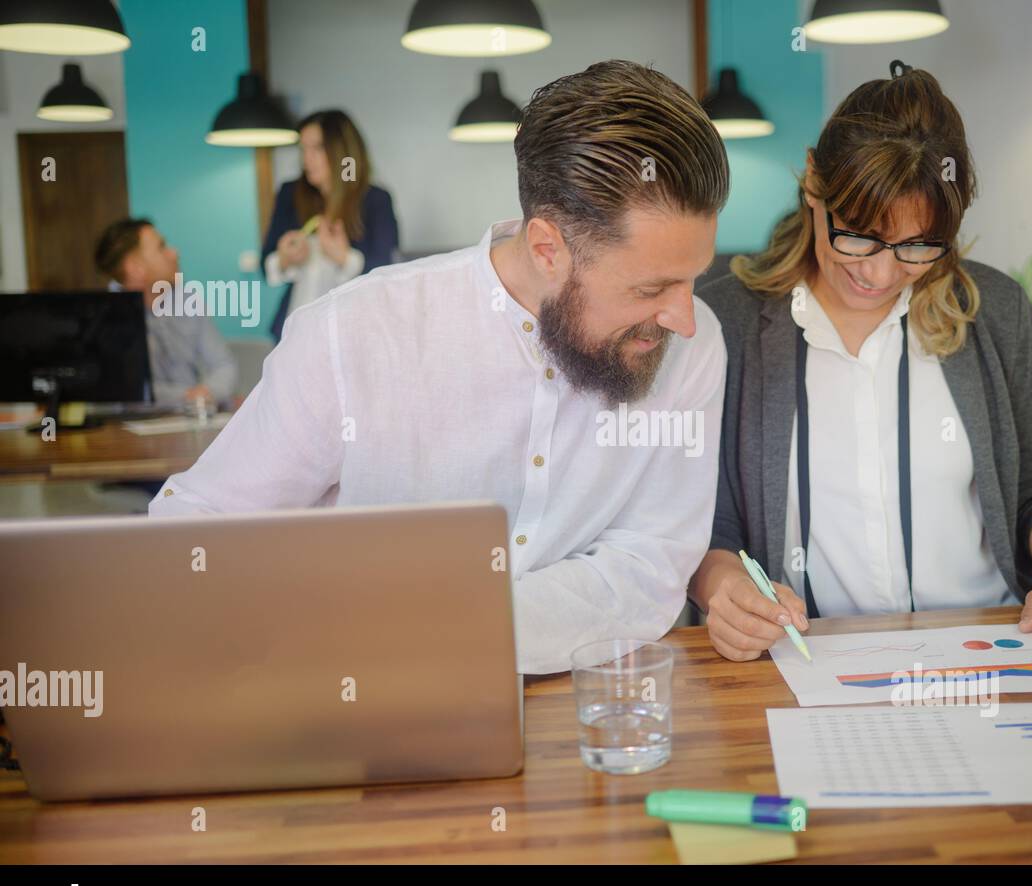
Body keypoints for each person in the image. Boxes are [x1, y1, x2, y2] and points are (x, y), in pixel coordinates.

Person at [150, 61, 730, 675]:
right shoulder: (350, 335)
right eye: (651, 288)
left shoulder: (695, 347)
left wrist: (436, 621)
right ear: (546, 248)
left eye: (694, 278)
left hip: (578, 716)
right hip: (349, 695)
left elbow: (649, 565)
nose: (684, 320)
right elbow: (196, 532)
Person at [690, 61, 1032, 662]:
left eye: (916, 246)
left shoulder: (994, 312)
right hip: (807, 662)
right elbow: (708, 525)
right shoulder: (725, 323)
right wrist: (724, 589)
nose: (879, 274)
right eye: (856, 235)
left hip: (990, 654)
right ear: (813, 183)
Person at [262, 109, 400, 341]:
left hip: (353, 333)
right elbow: (264, 262)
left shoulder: (375, 200)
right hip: (295, 334)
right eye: (303, 149)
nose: (307, 158)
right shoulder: (290, 194)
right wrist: (285, 259)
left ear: (342, 152)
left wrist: (345, 258)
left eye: (317, 148)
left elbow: (388, 271)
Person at [94, 218, 237, 409]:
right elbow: (135, 393)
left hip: (192, 419)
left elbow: (224, 364)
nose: (174, 253)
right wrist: (190, 396)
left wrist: (208, 392)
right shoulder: (107, 319)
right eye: (161, 247)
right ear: (136, 268)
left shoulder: (187, 301)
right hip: (133, 430)